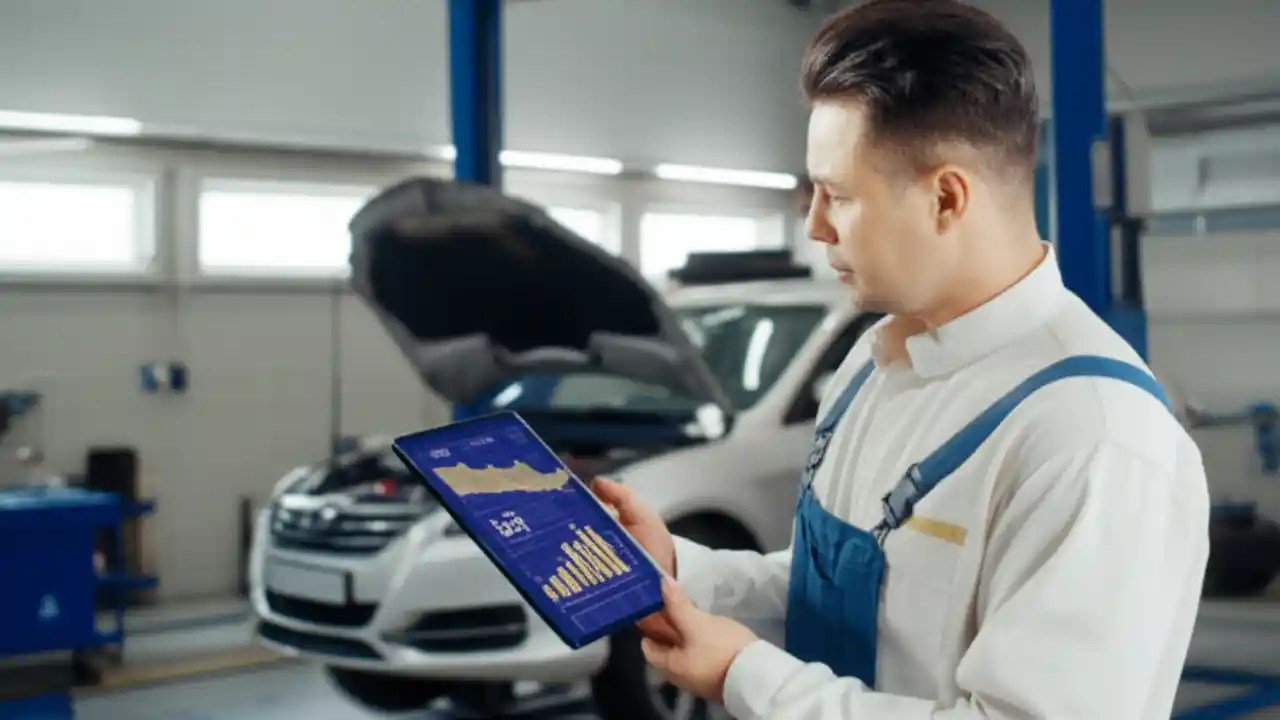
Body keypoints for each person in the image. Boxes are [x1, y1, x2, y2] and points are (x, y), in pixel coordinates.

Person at [591, 1, 1210, 718]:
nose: (816, 226)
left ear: (946, 197)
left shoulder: (1095, 441)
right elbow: (837, 594)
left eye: (839, 196)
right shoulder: (871, 365)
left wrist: (745, 675)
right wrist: (675, 569)